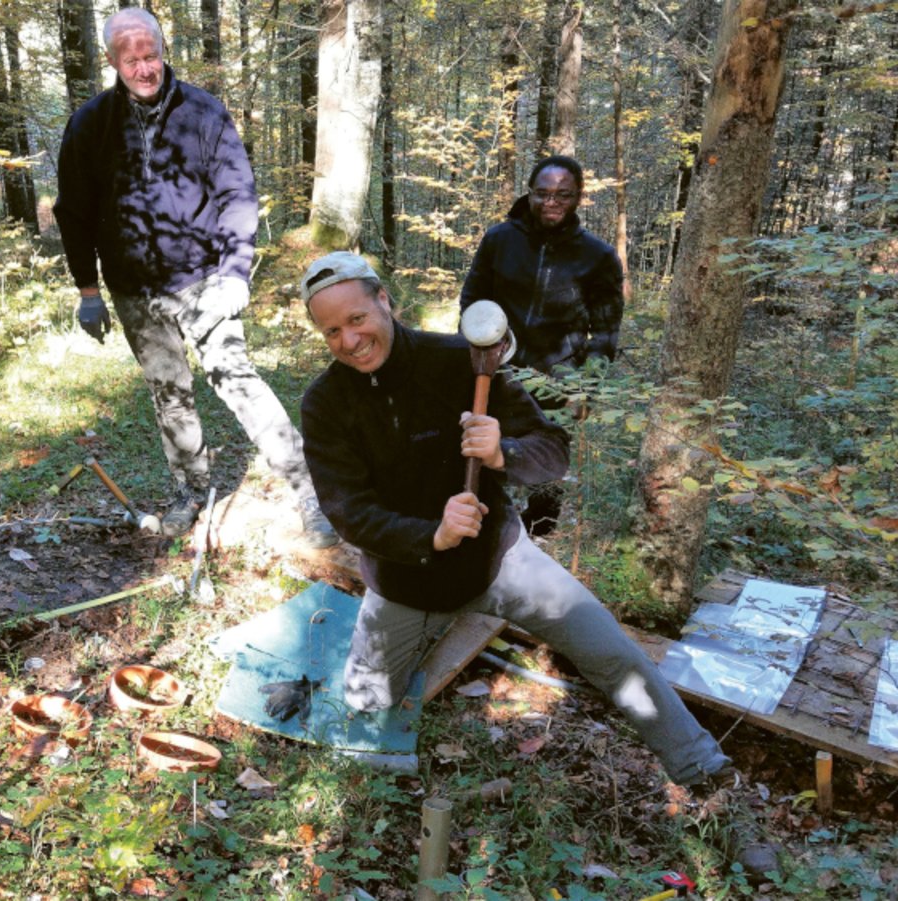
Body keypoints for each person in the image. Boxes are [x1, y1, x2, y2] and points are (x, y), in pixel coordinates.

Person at [297, 251, 730, 787]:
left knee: (611, 652)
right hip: (403, 579)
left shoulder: (464, 360)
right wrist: (431, 533)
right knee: (363, 712)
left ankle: (702, 769)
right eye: (332, 331)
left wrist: (503, 452)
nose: (349, 340)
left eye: (356, 319)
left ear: (384, 300)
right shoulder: (324, 403)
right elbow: (349, 513)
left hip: (499, 560)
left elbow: (552, 450)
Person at [52, 8, 336, 547]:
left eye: (150, 55)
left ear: (163, 50)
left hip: (204, 276)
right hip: (134, 289)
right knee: (169, 395)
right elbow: (74, 213)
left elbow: (237, 194)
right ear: (113, 61)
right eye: (130, 59)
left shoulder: (203, 111)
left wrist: (234, 272)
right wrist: (88, 290)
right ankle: (192, 493)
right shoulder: (90, 125)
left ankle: (308, 491)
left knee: (236, 377)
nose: (144, 68)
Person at [460, 155, 626, 535]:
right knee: (485, 450)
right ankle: (488, 530)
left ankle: (540, 536)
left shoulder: (598, 257)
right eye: (543, 193)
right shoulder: (499, 239)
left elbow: (605, 332)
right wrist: (476, 349)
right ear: (530, 194)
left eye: (563, 195)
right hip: (496, 369)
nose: (552, 202)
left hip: (558, 377)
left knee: (547, 465)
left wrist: (586, 388)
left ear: (578, 197)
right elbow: (473, 298)